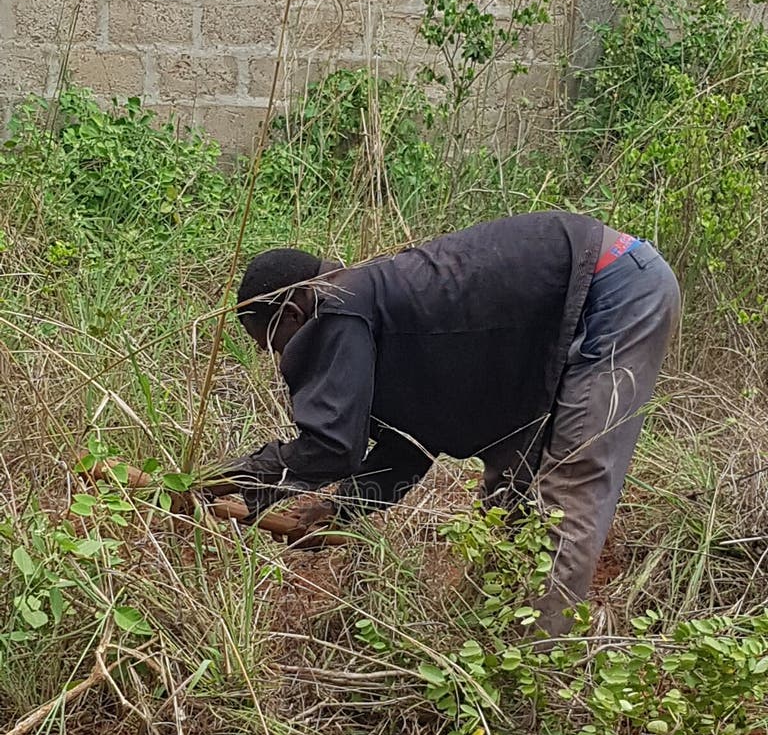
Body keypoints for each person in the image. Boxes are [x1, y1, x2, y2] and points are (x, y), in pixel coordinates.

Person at [210, 211, 680, 635]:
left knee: (567, 495)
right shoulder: (372, 306)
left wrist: (232, 479)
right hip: (567, 308)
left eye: (275, 345)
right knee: (511, 495)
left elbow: (332, 447)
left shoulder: (340, 306)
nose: (279, 360)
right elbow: (414, 441)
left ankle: (539, 676)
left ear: (292, 314)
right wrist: (342, 509)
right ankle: (495, 636)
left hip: (613, 288)